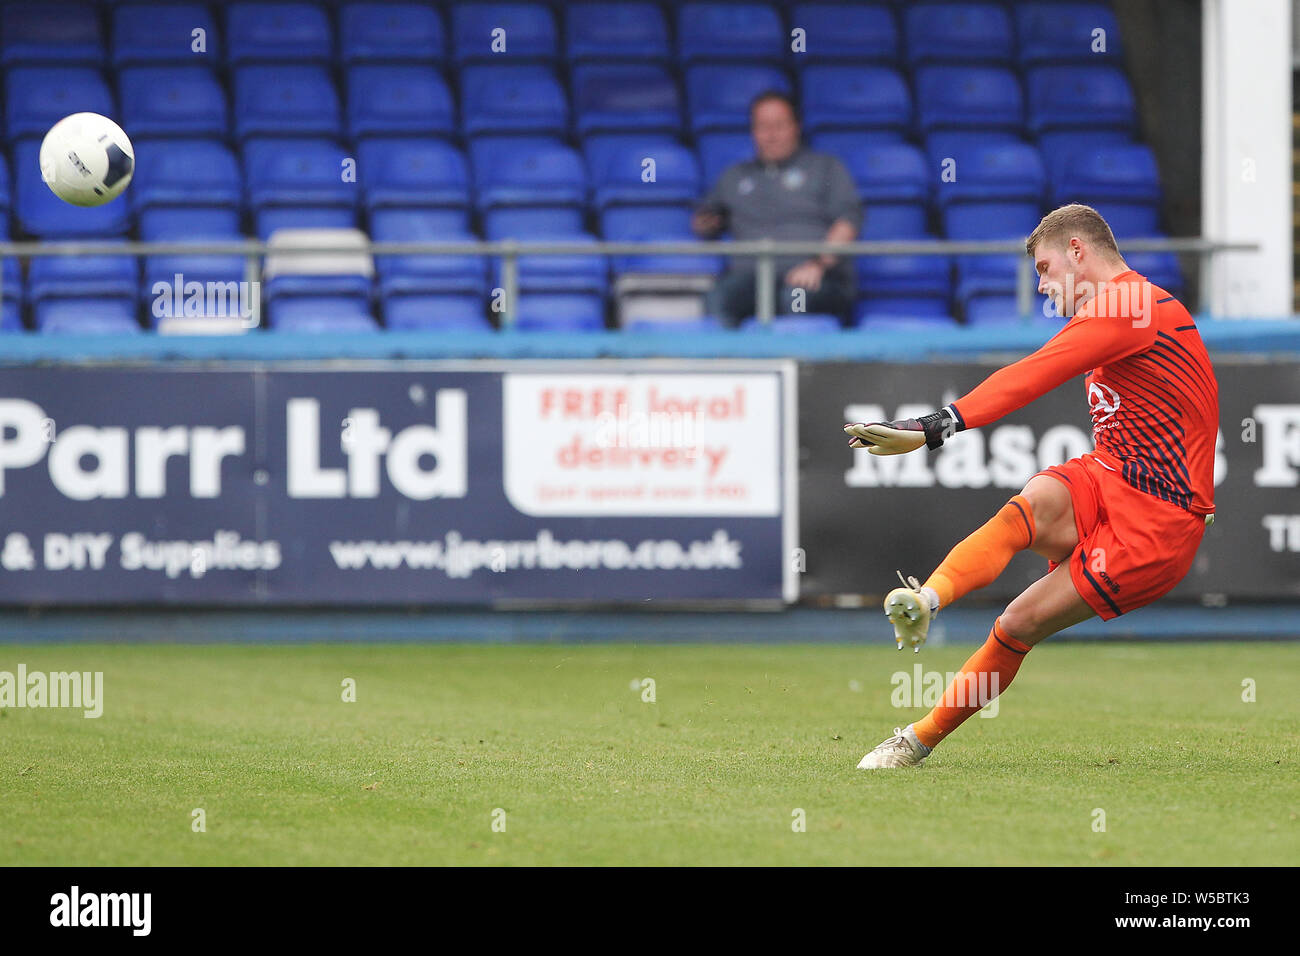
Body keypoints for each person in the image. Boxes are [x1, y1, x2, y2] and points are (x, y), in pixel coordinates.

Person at [845, 204, 1219, 769]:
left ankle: (916, 740)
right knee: (1032, 502)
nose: (1042, 286)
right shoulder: (1123, 311)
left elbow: (1032, 374)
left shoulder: (1134, 306)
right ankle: (926, 599)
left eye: (1045, 269)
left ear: (1077, 251)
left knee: (1017, 625)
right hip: (1113, 475)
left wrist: (933, 426)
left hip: (1158, 521)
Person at [692, 91, 861, 326]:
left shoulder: (826, 167)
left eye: (779, 126)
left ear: (796, 127)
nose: (771, 135)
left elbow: (848, 221)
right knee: (718, 299)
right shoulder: (734, 176)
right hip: (751, 278)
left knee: (795, 299)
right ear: (753, 132)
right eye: (763, 127)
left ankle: (800, 364)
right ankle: (730, 363)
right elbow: (706, 224)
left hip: (812, 276)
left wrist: (818, 264)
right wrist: (705, 223)